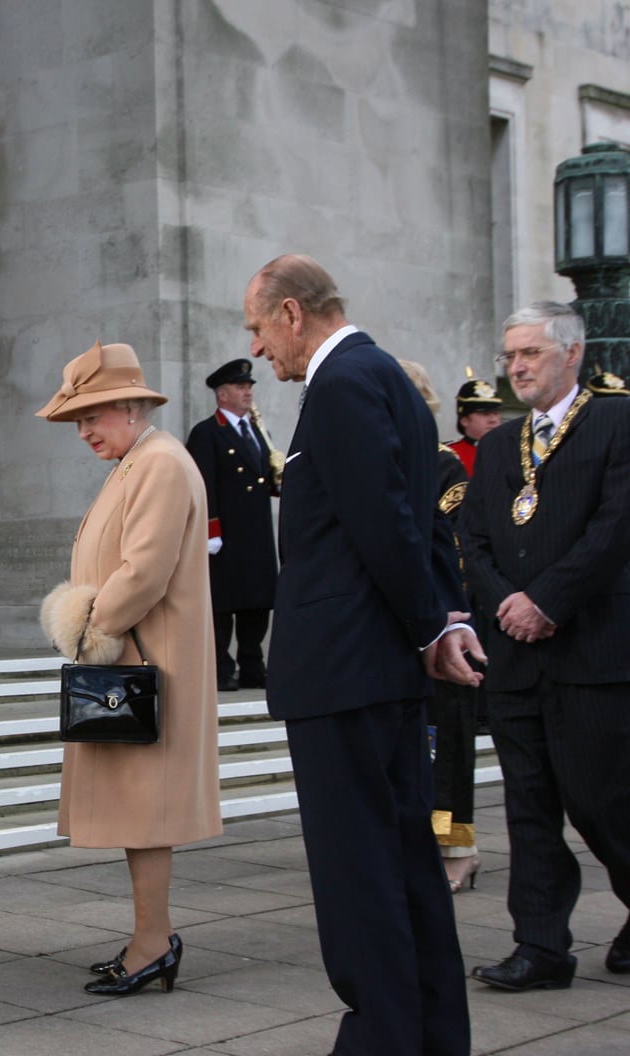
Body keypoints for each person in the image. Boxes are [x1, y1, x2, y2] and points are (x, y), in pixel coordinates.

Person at [241, 254, 480, 1056]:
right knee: (408, 864)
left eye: (257, 329)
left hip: (344, 673)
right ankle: (430, 1031)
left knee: (359, 877)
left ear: (291, 315)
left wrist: (430, 626)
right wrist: (440, 621)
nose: (259, 351)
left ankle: (381, 1037)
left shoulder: (342, 386)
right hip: (376, 669)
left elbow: (385, 521)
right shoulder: (388, 380)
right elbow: (419, 524)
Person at [34, 341, 222, 998]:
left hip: (146, 662)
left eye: (91, 417)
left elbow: (142, 571)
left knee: (148, 813)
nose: (84, 432)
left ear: (128, 405)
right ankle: (150, 937)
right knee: (141, 813)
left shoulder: (161, 463)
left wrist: (91, 626)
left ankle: (153, 944)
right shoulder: (141, 460)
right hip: (135, 660)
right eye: (78, 420)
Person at [461, 301, 630, 992]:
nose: (517, 367)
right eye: (509, 357)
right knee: (528, 807)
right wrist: (508, 601)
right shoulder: (501, 445)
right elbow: (472, 538)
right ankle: (540, 946)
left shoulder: (617, 423)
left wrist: (547, 601)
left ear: (572, 353)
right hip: (517, 657)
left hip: (591, 653)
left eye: (529, 353)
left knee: (604, 800)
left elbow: (615, 528)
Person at [399, 359, 484, 895]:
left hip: (443, 617)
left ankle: (458, 847)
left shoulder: (441, 464)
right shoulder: (386, 461)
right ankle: (416, 842)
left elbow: (448, 547)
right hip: (399, 625)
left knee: (448, 736)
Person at [184, 358, 279, 691]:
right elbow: (202, 484)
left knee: (256, 605)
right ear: (222, 394)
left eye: (249, 387)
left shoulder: (256, 429)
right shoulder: (207, 432)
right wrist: (210, 530)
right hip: (226, 536)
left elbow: (264, 475)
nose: (247, 392)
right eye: (241, 387)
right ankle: (221, 667)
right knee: (222, 606)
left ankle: (253, 665)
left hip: (256, 535)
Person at [447, 369, 504, 476]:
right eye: (485, 414)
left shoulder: (511, 451)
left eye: (496, 413)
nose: (493, 420)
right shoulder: (450, 454)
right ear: (465, 420)